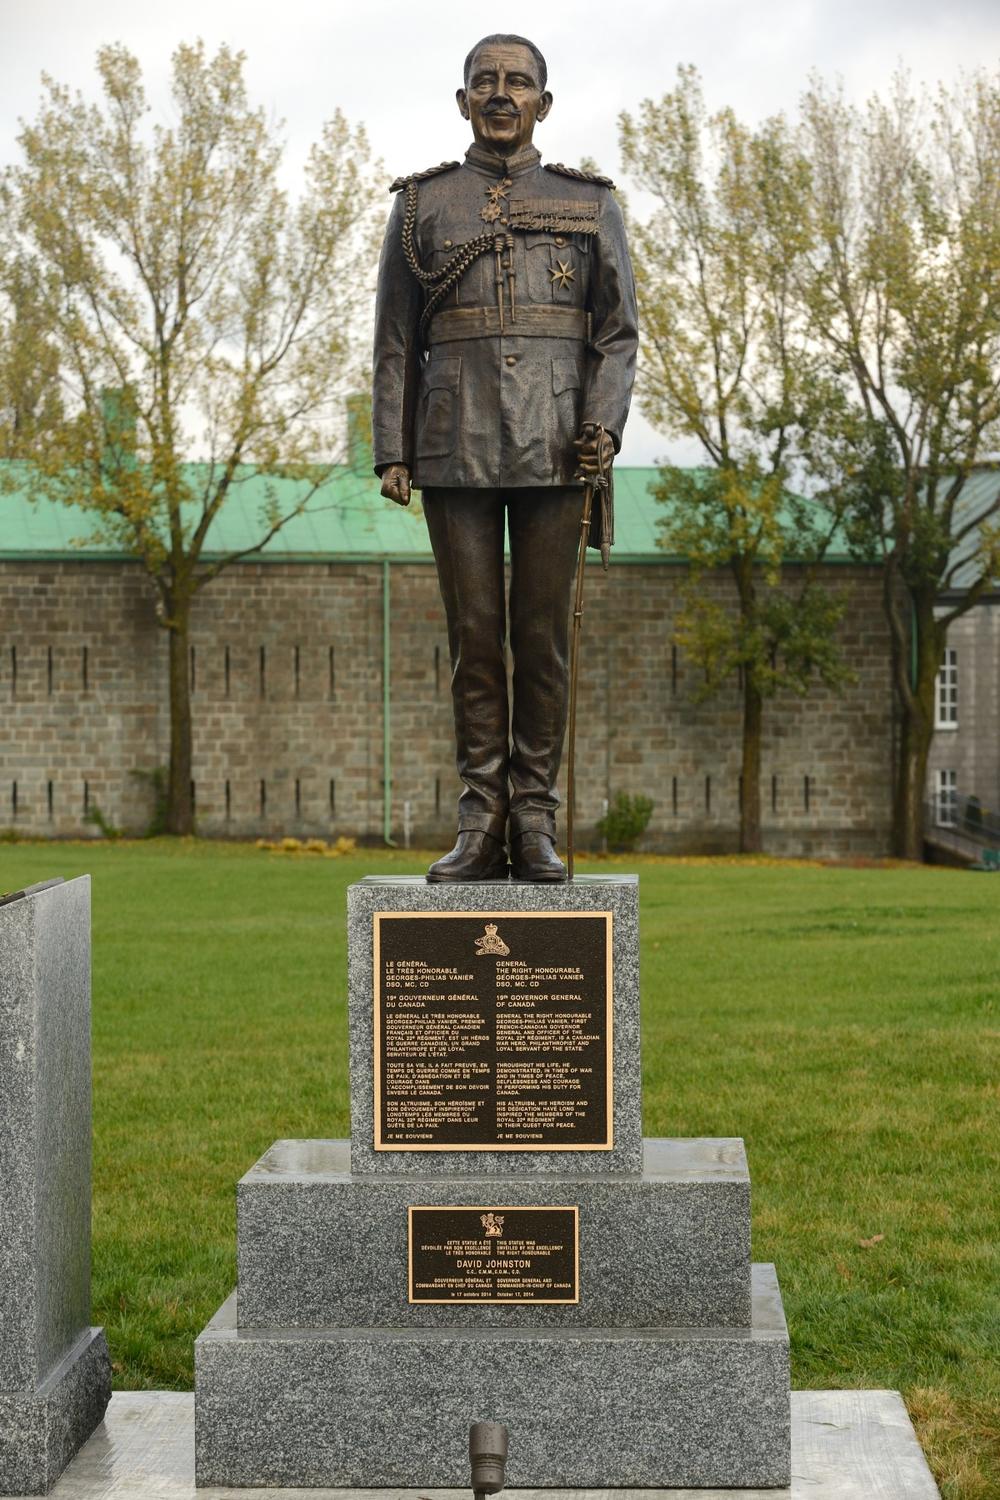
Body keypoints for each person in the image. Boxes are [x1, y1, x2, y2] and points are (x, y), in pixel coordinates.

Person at [372, 33, 637, 881]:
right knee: (475, 639)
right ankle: (479, 820)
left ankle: (533, 821)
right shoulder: (421, 206)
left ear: (542, 105)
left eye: (517, 82)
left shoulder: (590, 203)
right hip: (454, 444)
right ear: (462, 101)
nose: (500, 93)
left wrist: (603, 426)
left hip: (559, 446)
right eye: (484, 81)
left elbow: (617, 333)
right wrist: (392, 449)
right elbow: (395, 338)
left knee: (542, 639)